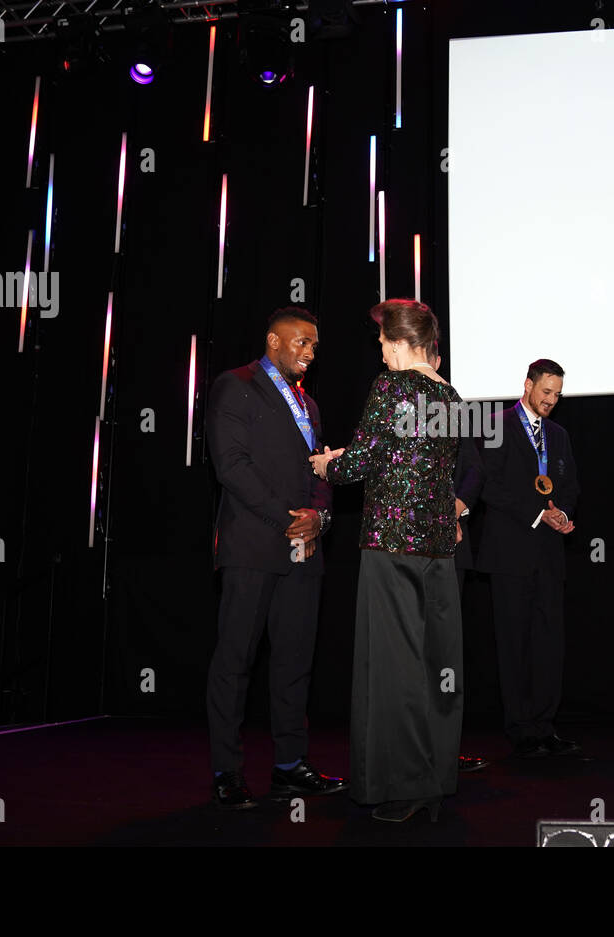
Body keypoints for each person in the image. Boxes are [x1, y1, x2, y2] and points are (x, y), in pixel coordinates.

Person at [310, 299, 464, 822]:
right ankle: (436, 778)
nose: (379, 349)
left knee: (394, 668)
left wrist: (328, 464)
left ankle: (405, 786)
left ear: (400, 342)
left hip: (392, 543)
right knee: (436, 664)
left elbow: (366, 459)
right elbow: (436, 469)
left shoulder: (394, 388)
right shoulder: (450, 393)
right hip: (438, 549)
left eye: (382, 341)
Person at [204, 307, 347, 809]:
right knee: (235, 660)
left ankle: (290, 766)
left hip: (305, 549)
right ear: (273, 340)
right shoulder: (234, 384)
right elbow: (231, 466)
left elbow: (321, 472)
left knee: (294, 662)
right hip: (252, 546)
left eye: (314, 345)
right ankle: (227, 771)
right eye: (301, 342)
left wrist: (319, 519)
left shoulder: (309, 403)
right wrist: (287, 518)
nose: (310, 352)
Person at [476, 359, 581, 758]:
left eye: (557, 394)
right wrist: (538, 513)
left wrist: (563, 514)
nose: (551, 400)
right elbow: (488, 485)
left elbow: (571, 484)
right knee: (514, 640)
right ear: (528, 385)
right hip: (509, 553)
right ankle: (520, 727)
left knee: (548, 640)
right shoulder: (496, 425)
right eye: (546, 392)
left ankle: (544, 725)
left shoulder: (559, 434)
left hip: (550, 554)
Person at [432, 344, 489, 774]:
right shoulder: (394, 410)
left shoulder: (454, 407)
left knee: (446, 654)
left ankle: (447, 746)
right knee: (415, 651)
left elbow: (474, 469)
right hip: (407, 549)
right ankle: (415, 747)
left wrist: (455, 506)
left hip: (453, 546)